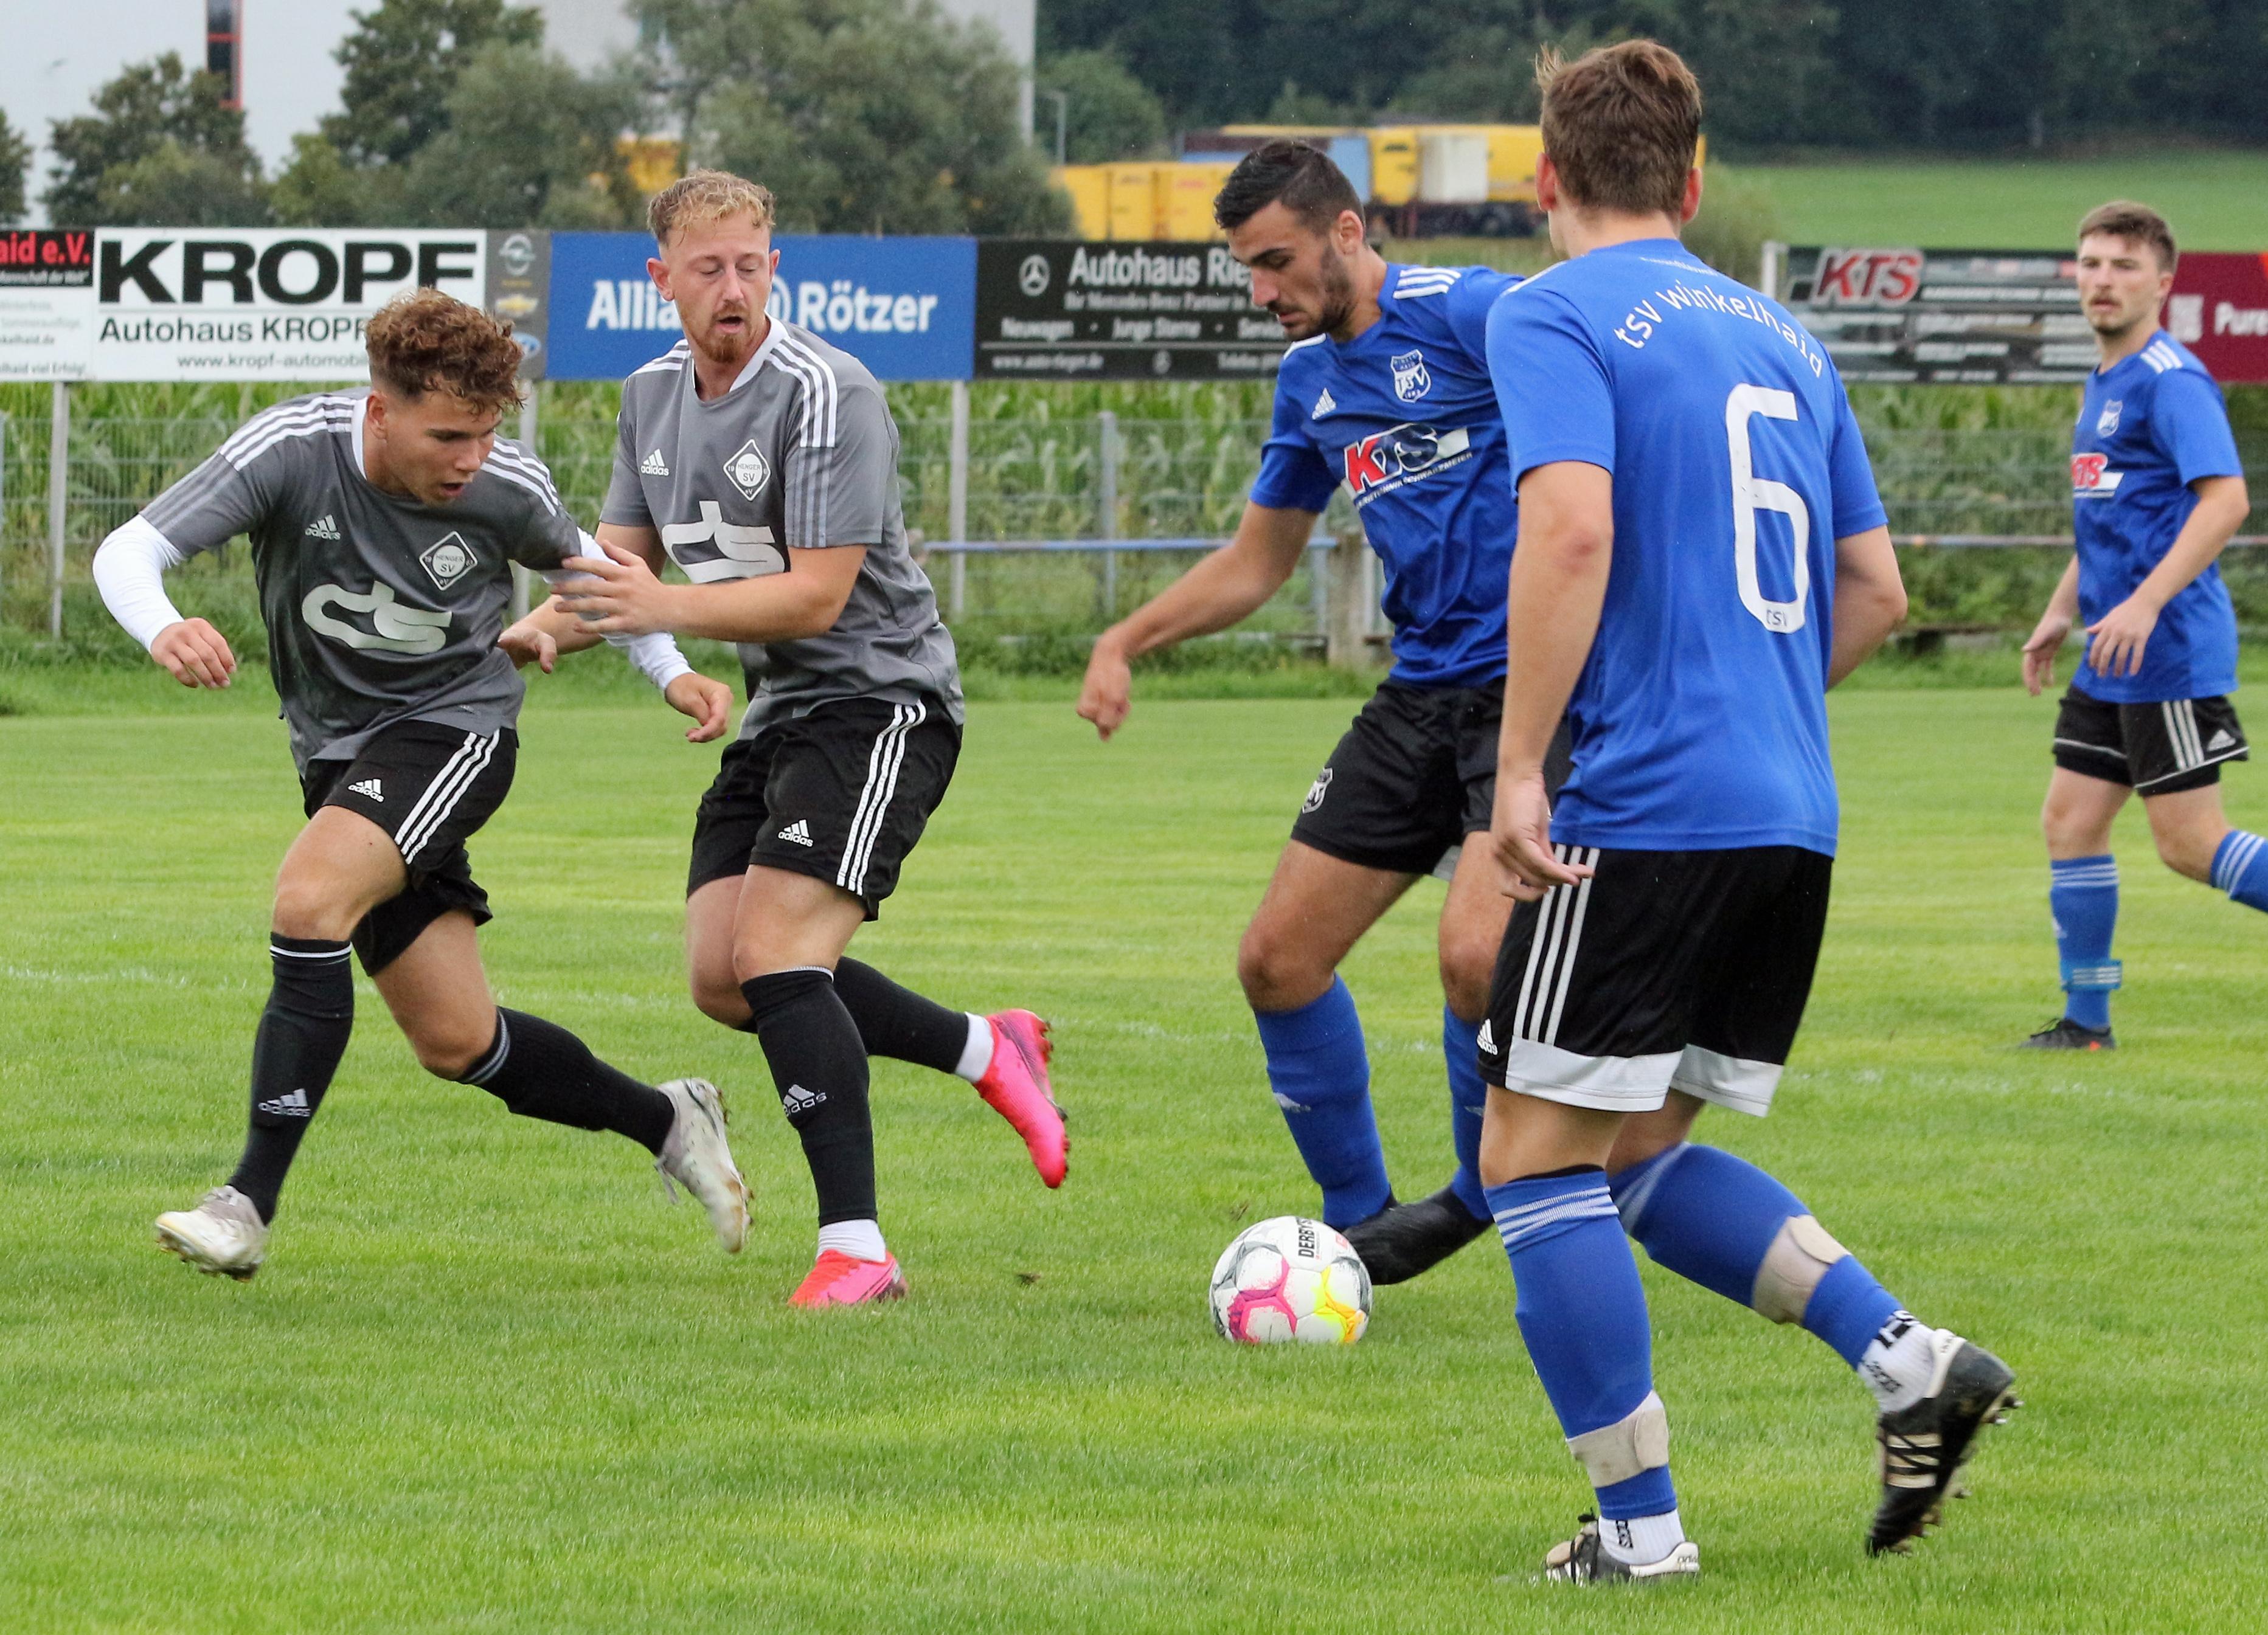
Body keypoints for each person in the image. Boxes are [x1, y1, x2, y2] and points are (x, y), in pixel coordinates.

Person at [1476, 42, 2016, 1581]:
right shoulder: (1787, 337)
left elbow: (1567, 531)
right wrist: (1748, 705)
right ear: (1694, 179)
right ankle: (1906, 1359)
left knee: (1530, 1161)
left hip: (1641, 806)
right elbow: (1876, 591)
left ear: (1545, 178)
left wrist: (1520, 766)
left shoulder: (1550, 310)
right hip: (1787, 807)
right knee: (1633, 1155)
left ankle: (1638, 1535)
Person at [90, 289, 751, 1280]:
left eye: (484, 434)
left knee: (309, 900)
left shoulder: (504, 483)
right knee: (457, 1040)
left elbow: (598, 578)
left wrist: (673, 671)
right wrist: (164, 624)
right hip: (338, 757)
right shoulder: (292, 450)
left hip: (454, 732)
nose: (470, 458)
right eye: (447, 436)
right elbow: (130, 549)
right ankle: (669, 1119)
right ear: (381, 409)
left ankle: (245, 1204)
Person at [501, 170, 1067, 1308]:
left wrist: (656, 609)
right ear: (660, 279)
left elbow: (816, 597)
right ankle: (984, 1047)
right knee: (725, 978)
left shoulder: (826, 390)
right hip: (786, 712)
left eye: (750, 265)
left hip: (884, 701)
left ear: (774, 268)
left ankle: (859, 1250)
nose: (733, 287)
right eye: (707, 268)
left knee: (776, 956)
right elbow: (620, 568)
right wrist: (540, 627)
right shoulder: (649, 394)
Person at [1077, 140, 1567, 1284]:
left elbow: (1610, 428)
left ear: (1346, 232)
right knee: (1276, 960)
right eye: (1246, 269)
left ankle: (1476, 1194)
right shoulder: (1307, 382)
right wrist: (1124, 639)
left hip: (1535, 690)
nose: (1261, 291)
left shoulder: (1475, 314)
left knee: (1475, 956)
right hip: (1420, 692)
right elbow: (1257, 563)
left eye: (1276, 261)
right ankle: (1358, 1225)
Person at [2018, 201, 2258, 1049]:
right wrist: (2063, 607)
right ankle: (2086, 1025)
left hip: (2167, 651)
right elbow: (2113, 520)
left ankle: (2088, 1023)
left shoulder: (2169, 379)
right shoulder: (2104, 382)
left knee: (2190, 845)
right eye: (2090, 263)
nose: (2102, 280)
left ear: (2163, 283)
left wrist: (2146, 601)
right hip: (2110, 653)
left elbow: (2225, 501)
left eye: (2123, 265)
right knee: (2070, 822)